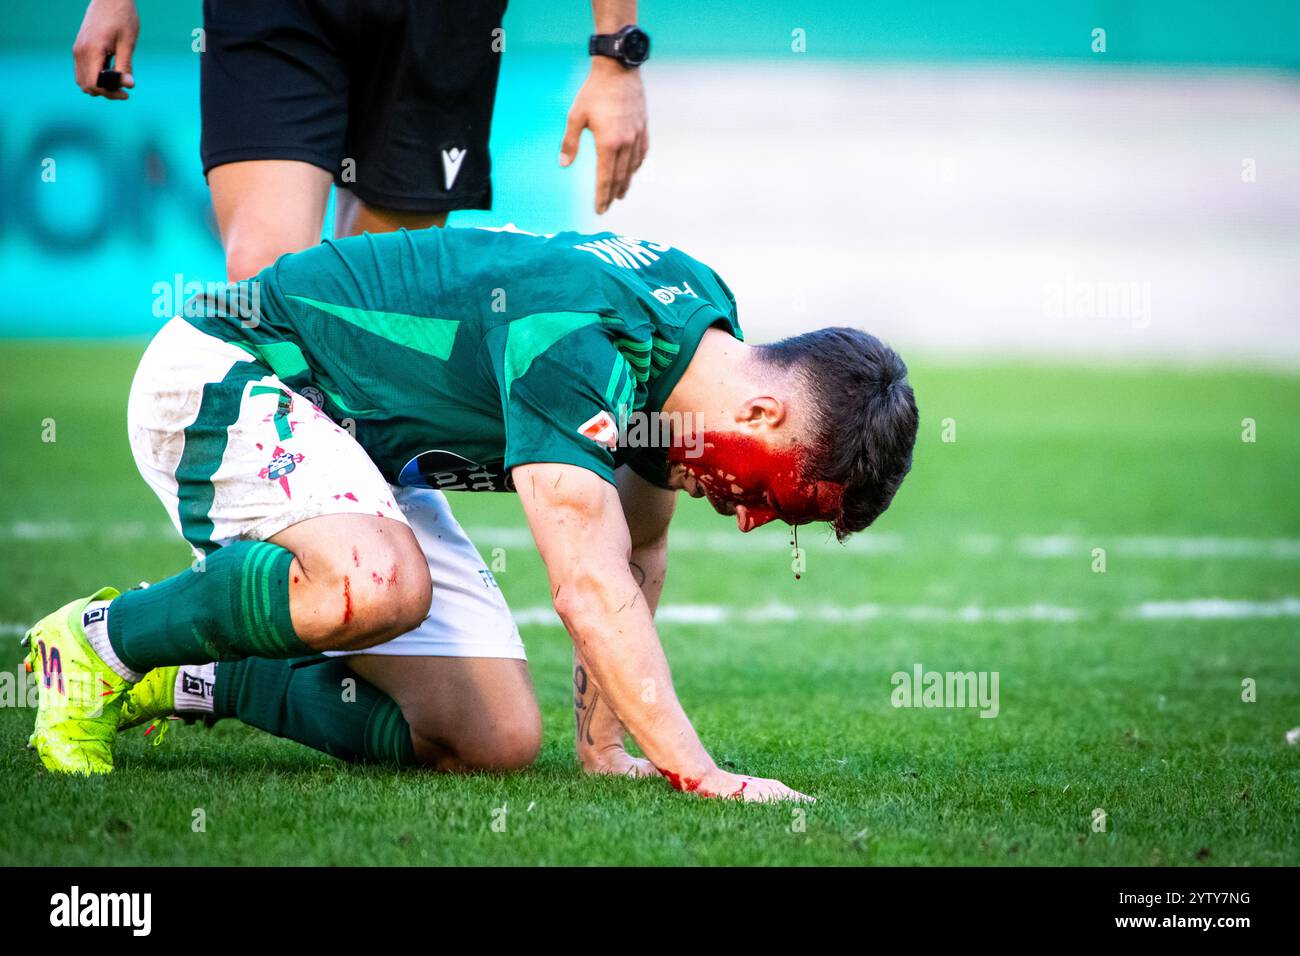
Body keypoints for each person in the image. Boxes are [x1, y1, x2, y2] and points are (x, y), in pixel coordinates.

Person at [23, 224, 918, 801]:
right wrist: (704, 775)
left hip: (356, 442)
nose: (756, 520)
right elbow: (588, 586)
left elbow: (637, 548)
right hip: (233, 370)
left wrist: (604, 749)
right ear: (764, 415)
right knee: (377, 583)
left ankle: (188, 677)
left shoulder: (694, 340)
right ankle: (98, 643)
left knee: (492, 738)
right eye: (779, 496)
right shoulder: (581, 342)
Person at [72, 0, 651, 279]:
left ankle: (379, 496)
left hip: (439, 19)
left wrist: (615, 55)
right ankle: (292, 499)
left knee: (380, 293)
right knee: (268, 275)